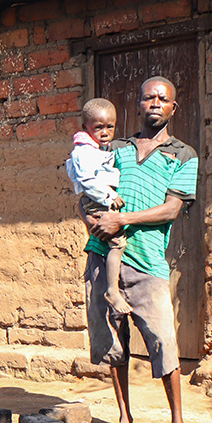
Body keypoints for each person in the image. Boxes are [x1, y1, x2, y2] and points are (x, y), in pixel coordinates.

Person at [81, 76, 201, 423]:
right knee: (115, 342)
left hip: (148, 262)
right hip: (103, 257)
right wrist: (94, 223)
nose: (154, 103)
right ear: (138, 104)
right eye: (148, 97)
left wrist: (123, 221)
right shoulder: (114, 148)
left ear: (172, 108)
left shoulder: (184, 155)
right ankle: (125, 420)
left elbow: (172, 209)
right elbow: (85, 191)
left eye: (162, 99)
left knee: (164, 341)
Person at [66, 98, 132, 314]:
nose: (105, 132)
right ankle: (112, 290)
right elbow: (87, 181)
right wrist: (109, 196)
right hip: (98, 200)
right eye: (98, 127)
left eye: (109, 126)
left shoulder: (95, 147)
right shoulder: (83, 151)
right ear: (86, 127)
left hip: (100, 199)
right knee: (117, 244)